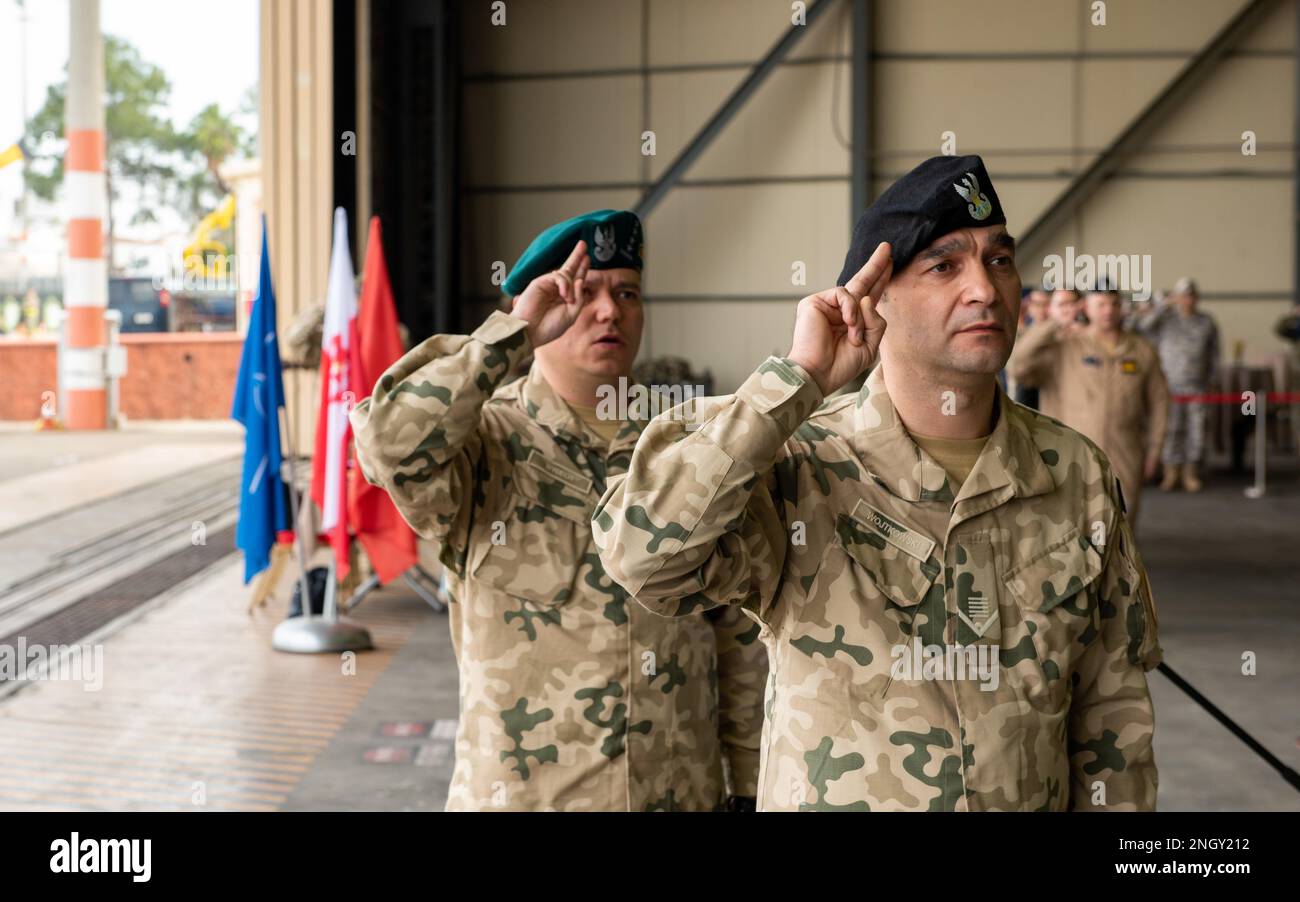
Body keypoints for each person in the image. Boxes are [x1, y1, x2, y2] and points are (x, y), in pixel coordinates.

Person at [593, 156, 1162, 811]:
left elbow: (1110, 717)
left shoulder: (1073, 472)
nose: (985, 288)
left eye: (999, 260)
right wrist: (796, 378)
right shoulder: (800, 462)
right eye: (944, 265)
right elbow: (645, 558)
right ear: (875, 297)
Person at [350, 210, 766, 811]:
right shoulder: (483, 445)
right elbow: (388, 442)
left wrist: (748, 786)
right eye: (583, 292)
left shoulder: (683, 448)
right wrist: (510, 334)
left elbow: (735, 635)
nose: (608, 311)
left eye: (627, 292)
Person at [1010, 286, 1170, 527]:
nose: (1109, 311)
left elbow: (1159, 402)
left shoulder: (1141, 350)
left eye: (1114, 304)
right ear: (1086, 308)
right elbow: (1018, 366)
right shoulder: (1067, 346)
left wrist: (1155, 449)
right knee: (1072, 532)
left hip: (1125, 452)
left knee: (1122, 528)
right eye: (1101, 305)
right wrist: (1054, 323)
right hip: (1072, 455)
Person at [1133, 277, 1220, 492]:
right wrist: (1163, 306)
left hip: (1197, 385)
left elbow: (1214, 354)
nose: (1187, 300)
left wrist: (1213, 380)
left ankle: (1190, 473)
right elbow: (1141, 327)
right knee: (1171, 429)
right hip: (1169, 384)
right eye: (1182, 295)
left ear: (1196, 298)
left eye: (1190, 295)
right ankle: (1170, 473)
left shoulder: (1206, 321)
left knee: (1196, 430)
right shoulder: (1166, 319)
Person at [1012, 287, 1050, 409]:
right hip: (1018, 398)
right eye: (1037, 304)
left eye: (1046, 304)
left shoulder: (1058, 335)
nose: (1042, 309)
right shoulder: (1019, 333)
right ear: (1030, 306)